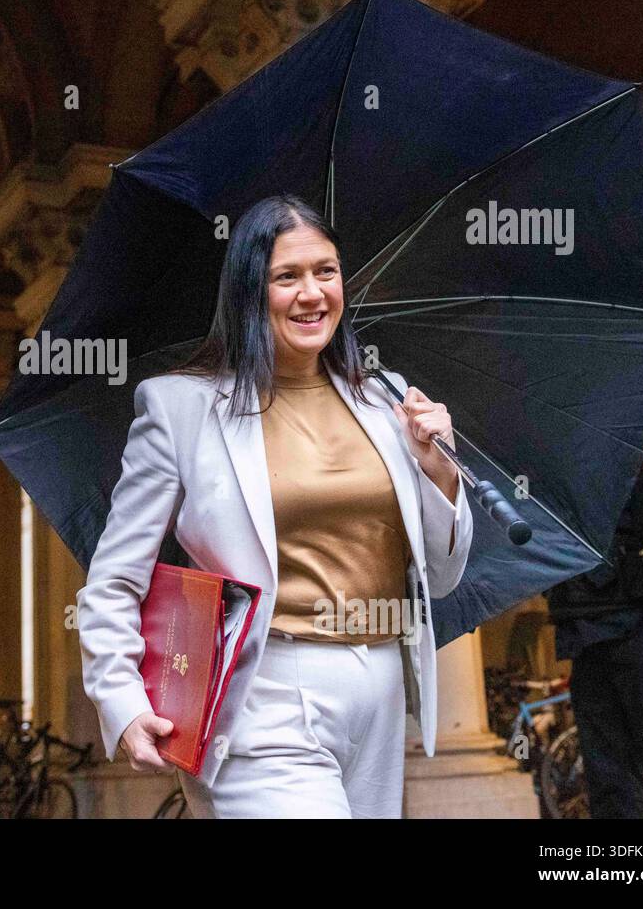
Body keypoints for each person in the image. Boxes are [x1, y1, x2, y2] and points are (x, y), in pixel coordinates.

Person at [76, 194, 474, 818]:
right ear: (247, 293)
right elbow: (114, 578)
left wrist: (436, 470)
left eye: (326, 271)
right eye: (287, 277)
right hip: (263, 697)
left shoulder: (387, 401)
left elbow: (442, 577)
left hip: (381, 688)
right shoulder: (181, 408)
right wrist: (121, 701)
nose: (313, 293)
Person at [546, 465, 643, 818]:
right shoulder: (555, 489)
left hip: (634, 640)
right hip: (585, 644)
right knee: (606, 774)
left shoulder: (633, 479)